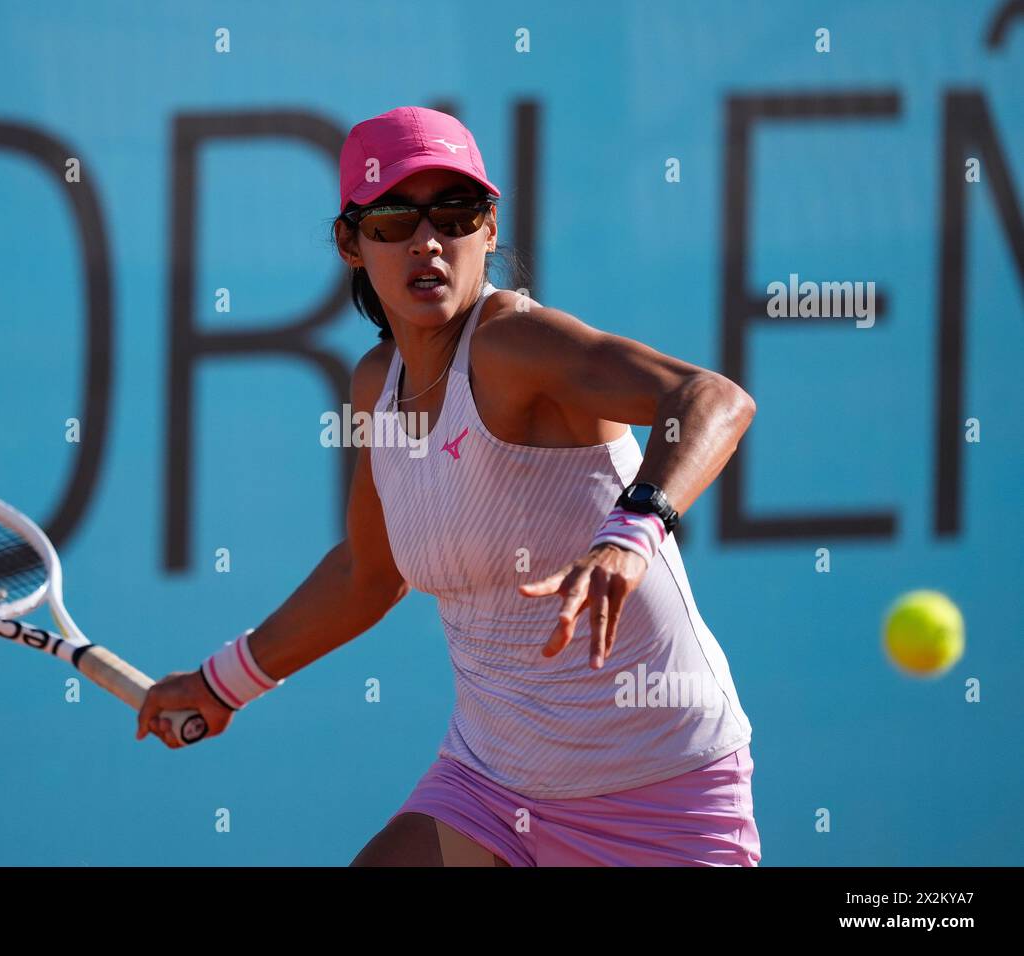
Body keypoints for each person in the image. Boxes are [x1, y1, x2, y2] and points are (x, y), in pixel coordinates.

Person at [137, 106, 761, 867]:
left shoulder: (516, 344)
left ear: (489, 231)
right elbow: (368, 574)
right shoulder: (378, 385)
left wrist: (631, 535)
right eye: (394, 218)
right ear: (351, 242)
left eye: (457, 215)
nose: (428, 241)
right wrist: (221, 683)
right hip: (493, 785)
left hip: (659, 788)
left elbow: (713, 399)